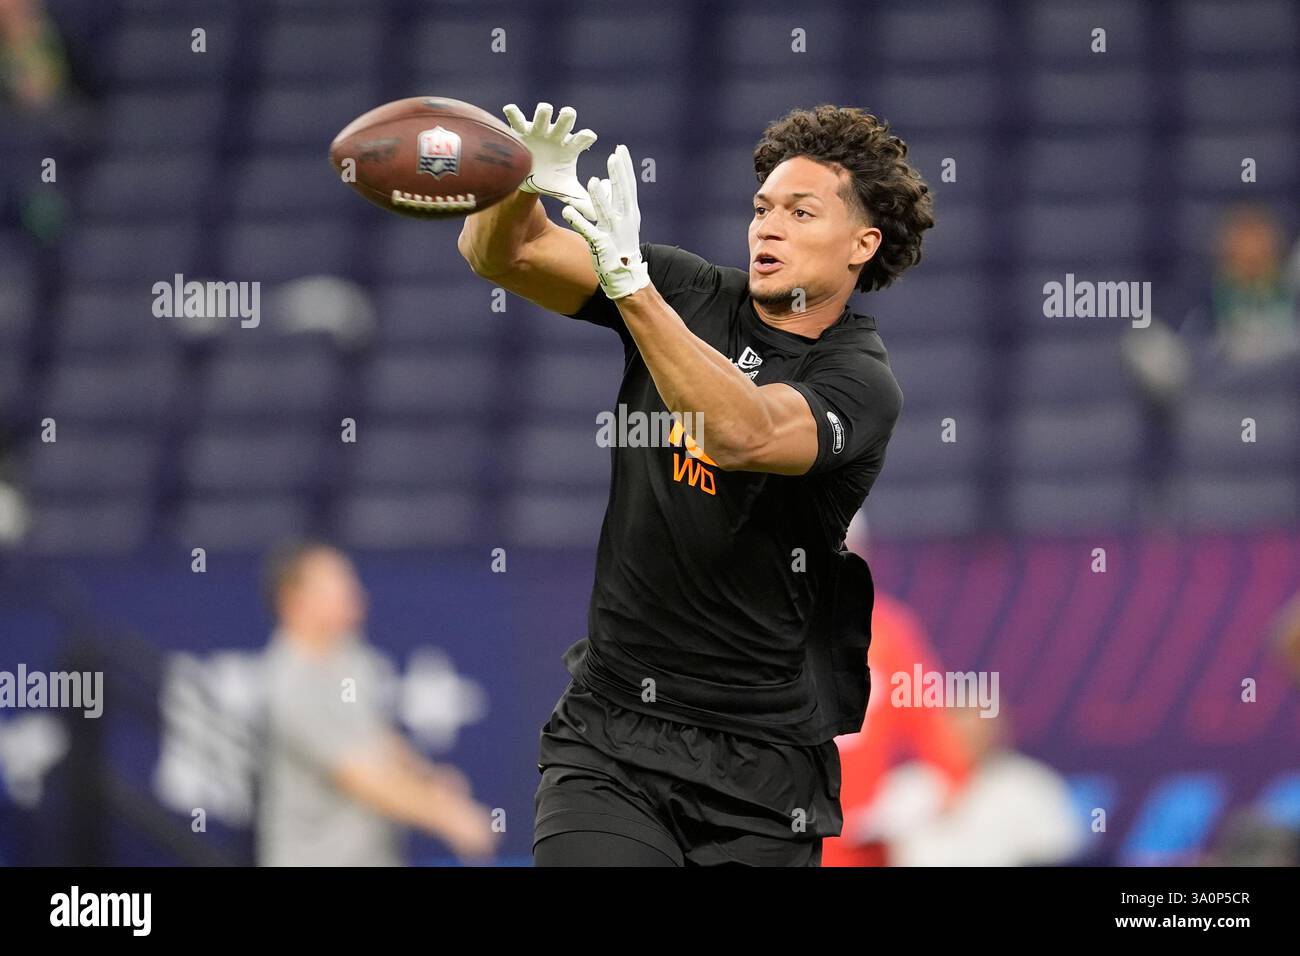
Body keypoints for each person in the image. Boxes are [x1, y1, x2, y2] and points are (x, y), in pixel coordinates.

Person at [459, 102, 934, 865]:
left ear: (861, 244)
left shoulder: (860, 382)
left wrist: (630, 287)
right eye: (761, 208)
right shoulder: (687, 290)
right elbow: (500, 257)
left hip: (763, 770)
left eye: (800, 212)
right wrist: (515, 184)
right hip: (612, 739)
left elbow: (741, 432)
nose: (767, 227)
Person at [256, 539, 498, 866]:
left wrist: (425, 776)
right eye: (335, 584)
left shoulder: (351, 655)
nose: (352, 592)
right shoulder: (290, 682)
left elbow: (376, 737)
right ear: (294, 600)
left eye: (348, 580)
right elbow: (362, 778)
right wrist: (449, 817)